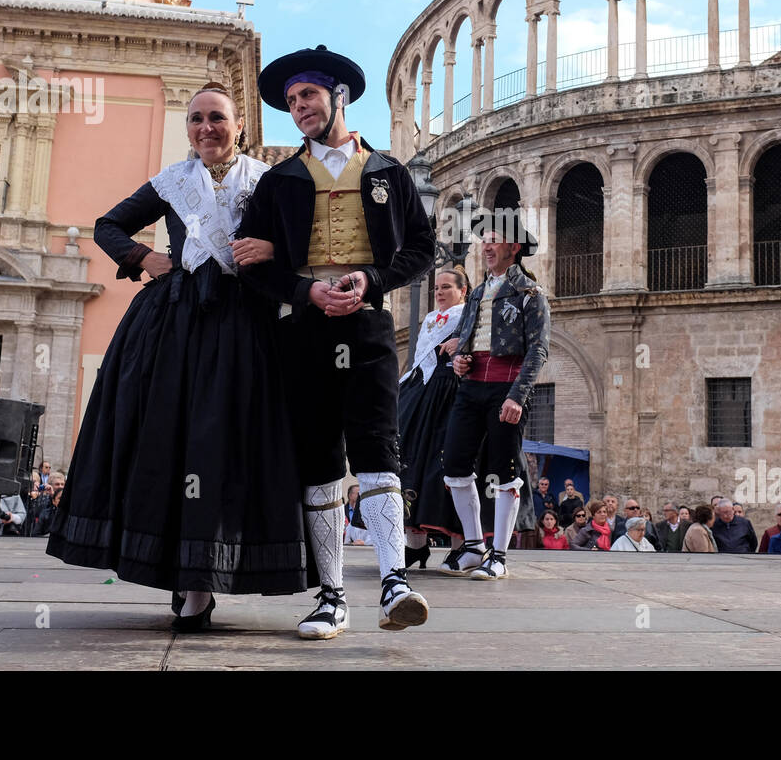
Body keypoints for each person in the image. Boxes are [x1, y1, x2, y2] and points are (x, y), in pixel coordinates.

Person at [46, 83, 307, 634]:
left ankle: (207, 574)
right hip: (176, 321)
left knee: (226, 445)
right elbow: (108, 226)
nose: (205, 127)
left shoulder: (268, 180)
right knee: (171, 438)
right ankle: (189, 583)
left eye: (216, 118)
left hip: (244, 322)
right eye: (195, 119)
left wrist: (272, 251)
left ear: (239, 127)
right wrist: (146, 258)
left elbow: (305, 242)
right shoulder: (171, 182)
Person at [236, 46, 433, 638]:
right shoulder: (278, 181)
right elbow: (248, 261)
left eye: (308, 97)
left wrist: (372, 278)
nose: (298, 109)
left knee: (378, 444)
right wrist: (304, 291)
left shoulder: (390, 173)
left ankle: (394, 581)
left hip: (369, 323)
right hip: (304, 327)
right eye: (291, 102)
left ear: (338, 96)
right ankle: (332, 594)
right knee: (319, 455)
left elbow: (422, 252)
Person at [437, 207, 551, 582]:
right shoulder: (478, 293)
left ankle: (498, 554)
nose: (486, 246)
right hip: (472, 387)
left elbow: (537, 351)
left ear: (513, 247)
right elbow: (468, 340)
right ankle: (473, 547)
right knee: (454, 463)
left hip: (506, 387)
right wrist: (460, 360)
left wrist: (517, 396)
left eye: (494, 240)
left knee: (505, 470)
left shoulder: (530, 294)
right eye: (483, 239)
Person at [396, 267, 469, 569]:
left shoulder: (468, 317)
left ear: (463, 291)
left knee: (445, 466)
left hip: (450, 391)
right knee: (410, 460)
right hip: (420, 391)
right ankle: (415, 545)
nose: (439, 292)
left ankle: (461, 545)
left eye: (447, 287)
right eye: (437, 287)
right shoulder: (429, 319)